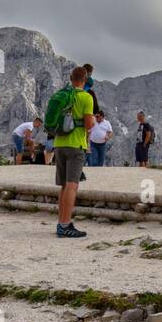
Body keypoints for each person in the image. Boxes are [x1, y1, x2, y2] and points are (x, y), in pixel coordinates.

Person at [52, 66, 95, 238]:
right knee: (72, 185)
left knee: (63, 185)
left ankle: (61, 222)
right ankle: (64, 224)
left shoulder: (62, 95)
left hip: (59, 143)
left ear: (70, 78)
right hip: (76, 144)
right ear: (85, 79)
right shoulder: (86, 97)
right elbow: (88, 124)